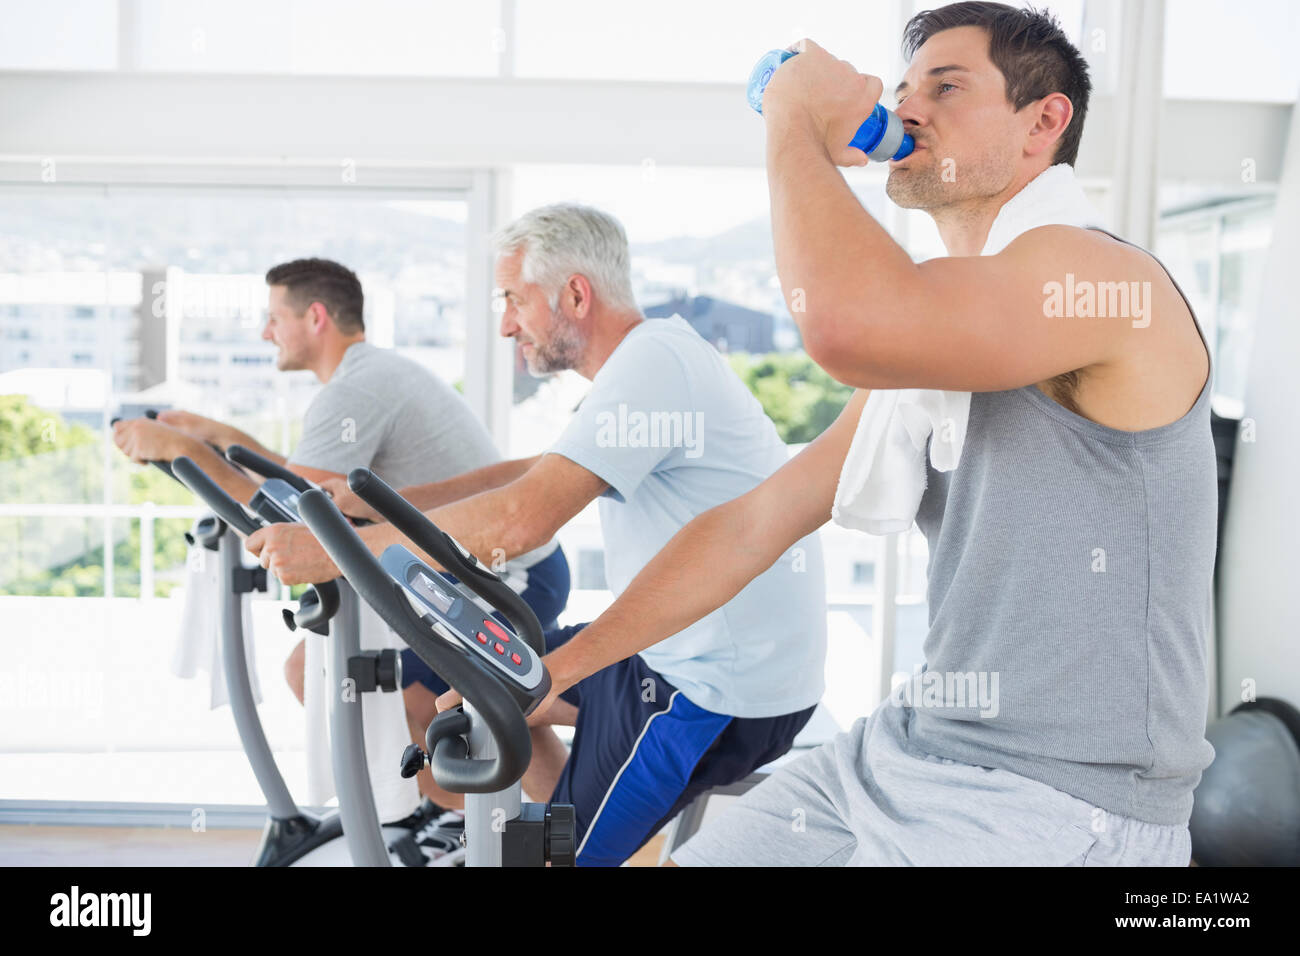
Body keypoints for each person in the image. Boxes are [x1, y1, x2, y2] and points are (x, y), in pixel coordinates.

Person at [562, 3, 1212, 867]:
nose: (909, 110)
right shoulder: (947, 330)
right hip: (904, 751)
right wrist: (553, 669)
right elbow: (758, 520)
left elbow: (845, 327)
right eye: (904, 90)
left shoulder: (1096, 276)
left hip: (1056, 800)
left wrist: (792, 114)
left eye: (946, 87)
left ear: (1044, 121)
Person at [247, 203, 830, 866]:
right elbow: (537, 470)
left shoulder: (654, 365)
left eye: (514, 300)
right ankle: (528, 828)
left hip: (712, 690)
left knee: (558, 850)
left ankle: (564, 846)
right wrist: (379, 507)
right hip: (665, 654)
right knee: (471, 687)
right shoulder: (645, 361)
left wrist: (338, 552)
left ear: (576, 294)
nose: (505, 324)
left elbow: (525, 516)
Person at [112, 257, 570, 836]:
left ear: (316, 316)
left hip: (508, 574)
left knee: (367, 682)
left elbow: (289, 511)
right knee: (491, 711)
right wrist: (218, 439)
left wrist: (180, 452)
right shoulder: (366, 374)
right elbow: (308, 488)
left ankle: (449, 826)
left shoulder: (354, 389)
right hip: (491, 569)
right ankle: (542, 831)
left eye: (275, 317)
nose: (265, 332)